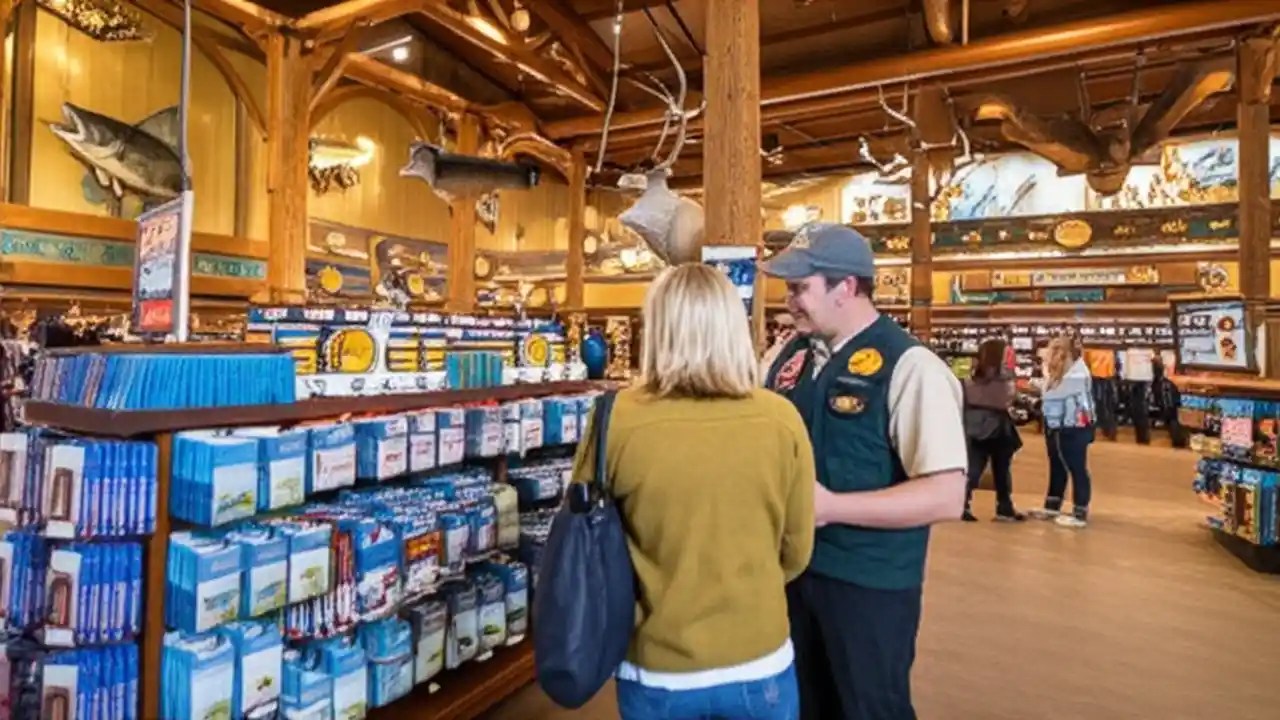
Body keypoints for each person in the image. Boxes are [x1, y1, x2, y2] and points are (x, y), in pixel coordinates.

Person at [573, 263, 816, 720]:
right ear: (733, 327)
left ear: (659, 328)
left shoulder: (616, 418)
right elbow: (797, 550)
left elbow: (587, 542)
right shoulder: (781, 420)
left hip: (658, 665)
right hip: (758, 655)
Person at [761, 223, 968, 720]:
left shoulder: (912, 367)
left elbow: (945, 495)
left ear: (846, 287)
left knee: (869, 707)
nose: (789, 301)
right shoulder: (787, 357)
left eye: (800, 288)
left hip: (870, 586)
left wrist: (831, 507)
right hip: (789, 575)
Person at [1029, 335, 1096, 528]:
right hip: (1056, 424)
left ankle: (1080, 512)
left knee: (1076, 467)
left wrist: (1042, 385)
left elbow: (1056, 393)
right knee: (1057, 465)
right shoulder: (1059, 371)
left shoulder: (1078, 373)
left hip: (1075, 425)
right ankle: (1052, 505)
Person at [962, 337, 1025, 522]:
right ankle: (1004, 507)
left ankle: (962, 504)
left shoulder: (973, 375)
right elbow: (1007, 398)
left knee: (974, 468)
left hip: (974, 423)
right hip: (998, 426)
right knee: (1002, 469)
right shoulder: (1003, 377)